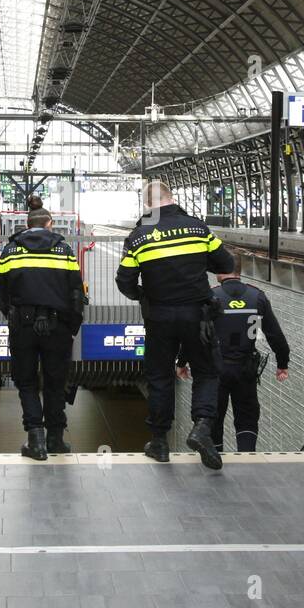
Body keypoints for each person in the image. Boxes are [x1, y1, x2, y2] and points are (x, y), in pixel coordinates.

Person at [115, 180, 233, 469]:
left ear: (147, 205)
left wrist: (142, 295)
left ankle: (159, 442)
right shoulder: (198, 228)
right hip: (198, 315)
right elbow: (226, 264)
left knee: (159, 377)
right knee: (206, 372)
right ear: (172, 197)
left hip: (160, 316)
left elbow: (124, 280)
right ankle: (202, 425)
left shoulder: (139, 236)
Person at [0, 208, 85, 460]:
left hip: (22, 326)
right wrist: (70, 326)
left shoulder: (10, 250)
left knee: (26, 381)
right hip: (58, 328)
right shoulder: (64, 250)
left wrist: (13, 315)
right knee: (55, 382)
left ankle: (36, 439)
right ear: (49, 224)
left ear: (27, 224)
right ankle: (55, 439)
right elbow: (76, 291)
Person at [179, 250, 289, 452]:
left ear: (220, 269)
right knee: (247, 417)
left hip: (215, 370)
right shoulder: (257, 297)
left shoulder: (210, 296)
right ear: (240, 270)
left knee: (214, 418)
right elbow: (275, 335)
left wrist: (181, 362)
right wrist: (283, 364)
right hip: (246, 369)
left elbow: (194, 334)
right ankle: (246, 458)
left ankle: (216, 455)